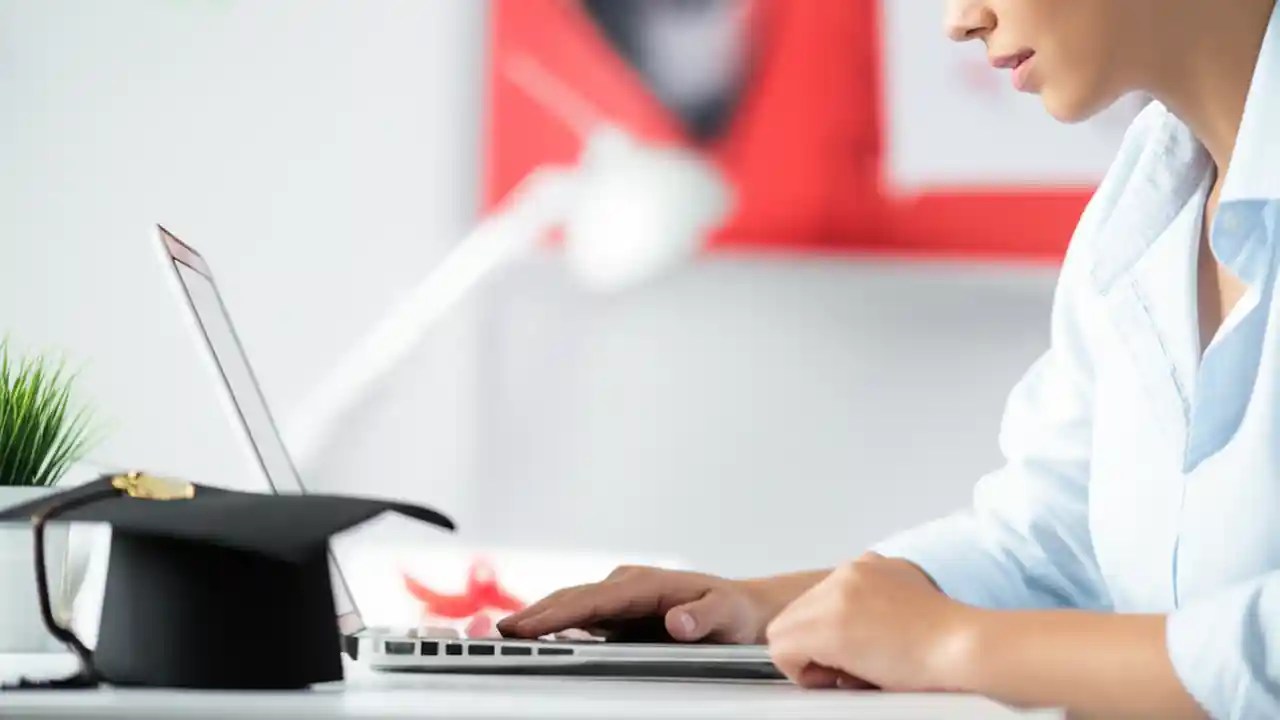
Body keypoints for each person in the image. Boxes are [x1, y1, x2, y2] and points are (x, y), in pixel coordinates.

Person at [499, 0, 1280, 717]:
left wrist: (951, 647)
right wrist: (763, 611)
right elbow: (1055, 539)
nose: (960, 20)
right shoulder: (1147, 200)